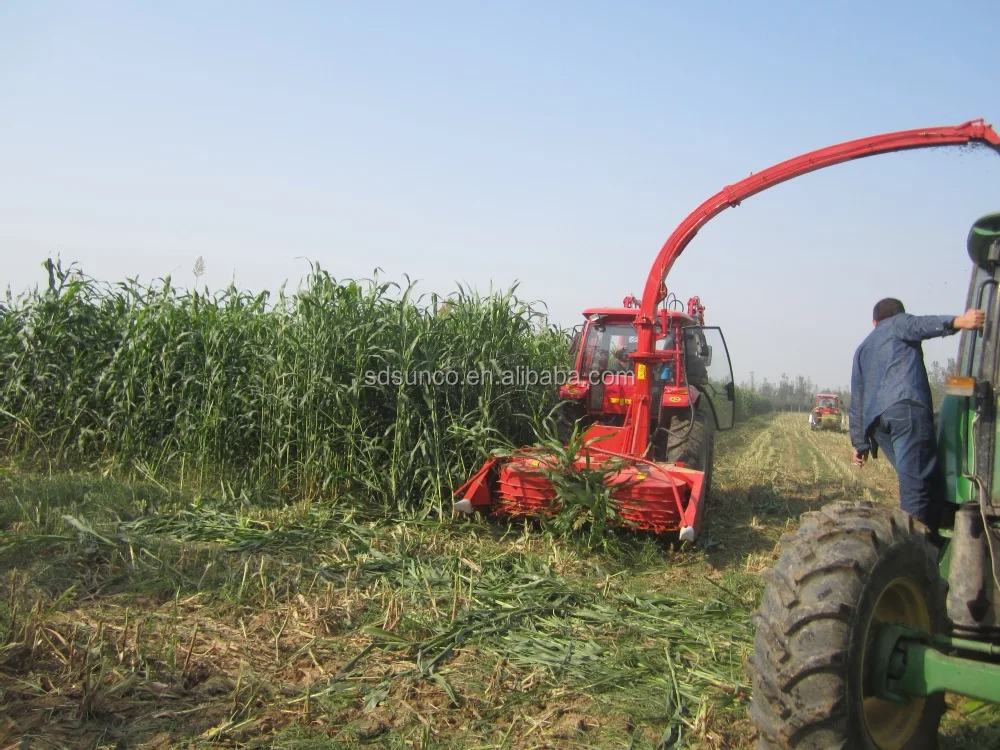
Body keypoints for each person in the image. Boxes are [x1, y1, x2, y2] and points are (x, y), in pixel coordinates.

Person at [850, 297, 985, 534]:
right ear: (900, 315)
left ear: (874, 322)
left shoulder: (863, 348)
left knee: (929, 483)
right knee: (916, 489)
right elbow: (920, 325)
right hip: (905, 410)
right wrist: (959, 321)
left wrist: (859, 444)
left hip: (878, 425)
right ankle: (914, 545)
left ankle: (933, 541)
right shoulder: (898, 324)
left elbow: (857, 398)